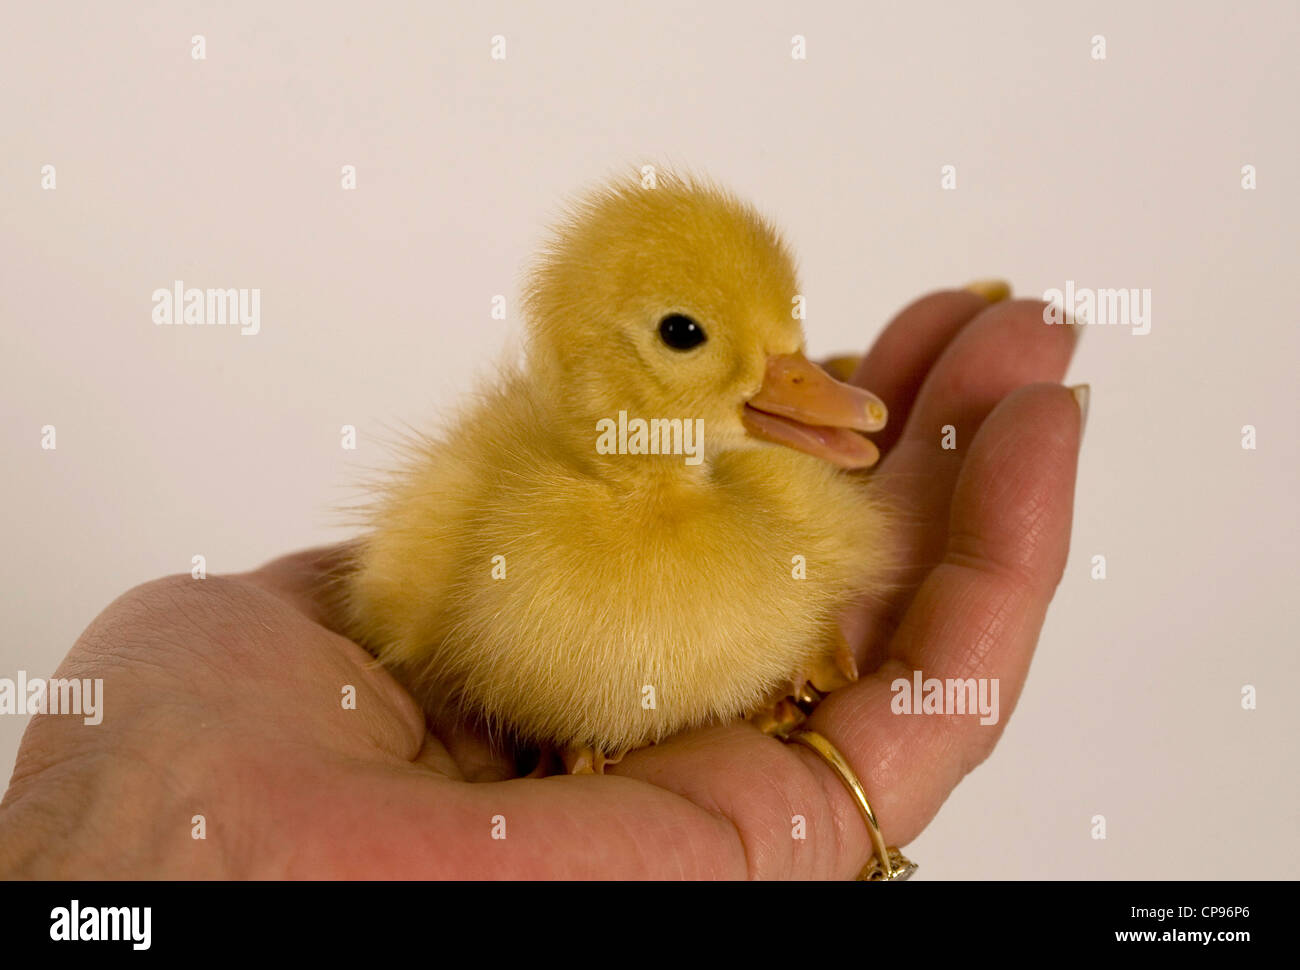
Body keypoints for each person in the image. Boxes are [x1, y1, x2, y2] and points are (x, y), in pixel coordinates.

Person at [0, 287, 1083, 879]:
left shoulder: (770, 515)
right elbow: (406, 596)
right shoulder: (487, 527)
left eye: (781, 346)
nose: (796, 381)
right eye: (691, 336)